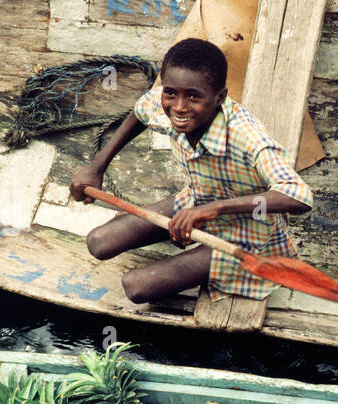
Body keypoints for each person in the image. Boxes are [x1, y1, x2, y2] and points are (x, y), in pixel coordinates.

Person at [69, 38, 312, 304]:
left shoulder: (247, 137)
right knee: (98, 242)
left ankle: (214, 261)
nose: (180, 107)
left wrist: (214, 209)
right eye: (171, 92)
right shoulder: (166, 101)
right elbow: (141, 112)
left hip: (248, 233)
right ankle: (192, 243)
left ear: (220, 97)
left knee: (136, 287)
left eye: (194, 96)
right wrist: (96, 167)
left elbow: (298, 197)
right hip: (195, 202)